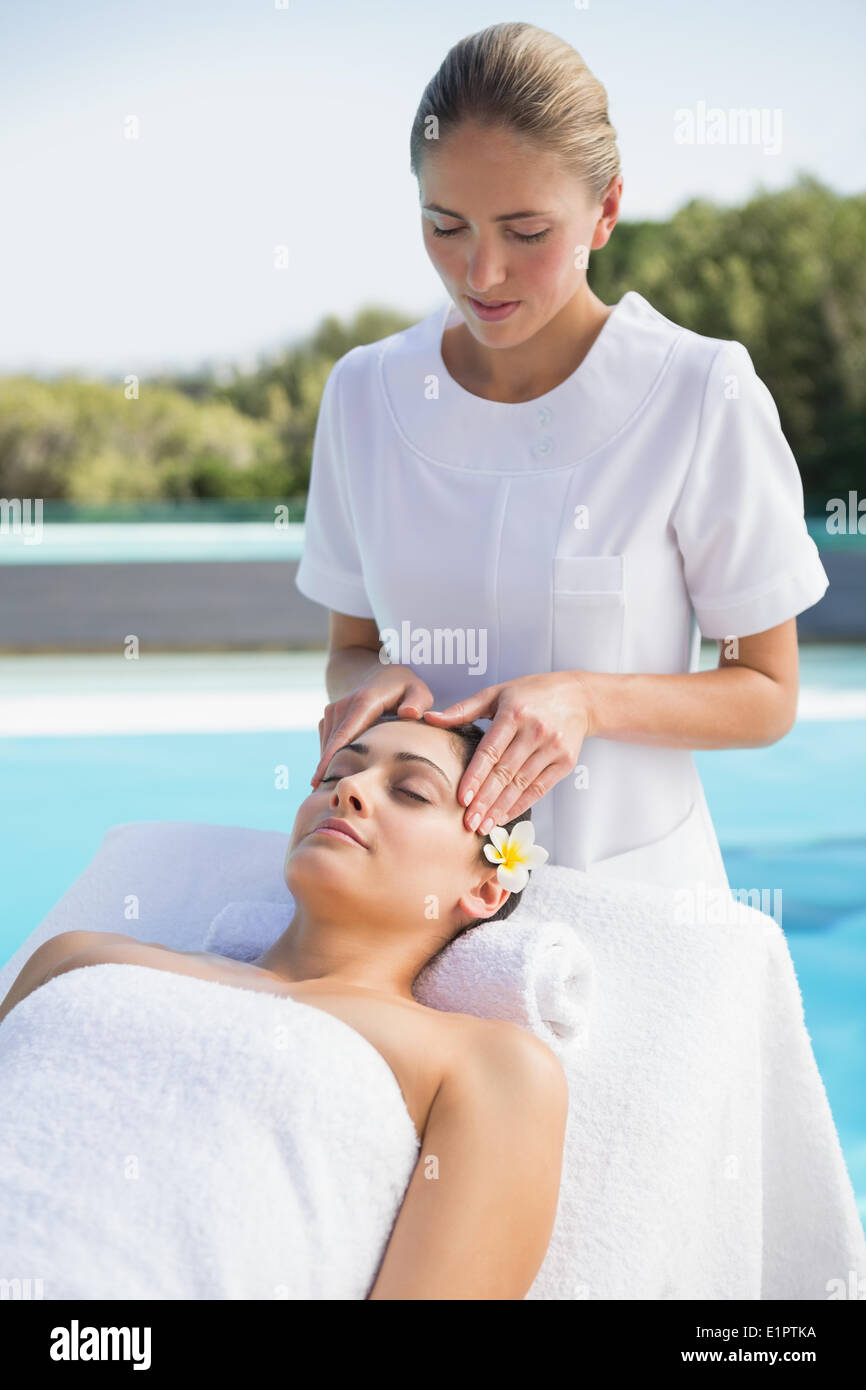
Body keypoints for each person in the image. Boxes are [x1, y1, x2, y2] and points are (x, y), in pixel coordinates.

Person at [294, 21, 829, 894]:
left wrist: (589, 699)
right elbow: (350, 648)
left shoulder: (698, 392)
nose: (483, 272)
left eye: (527, 231)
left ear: (607, 210)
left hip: (637, 903)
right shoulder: (365, 394)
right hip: (424, 919)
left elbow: (766, 690)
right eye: (446, 224)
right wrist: (373, 681)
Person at [0, 713, 565, 1301]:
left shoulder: (484, 1064)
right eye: (336, 775)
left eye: (411, 791)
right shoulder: (81, 957)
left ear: (486, 887)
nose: (349, 790)